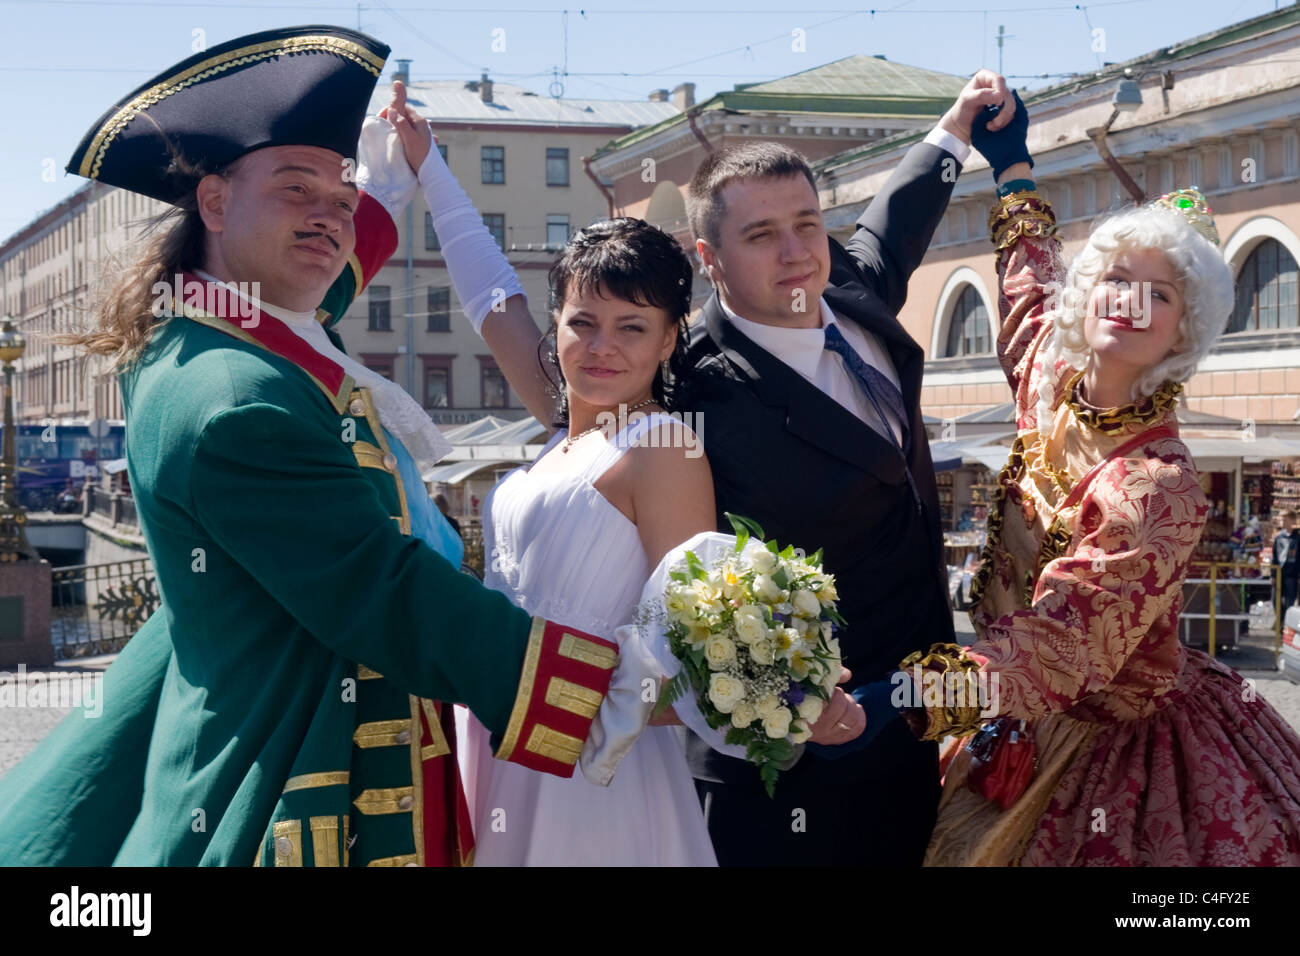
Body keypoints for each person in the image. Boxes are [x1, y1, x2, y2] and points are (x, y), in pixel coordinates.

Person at [0, 26, 648, 867]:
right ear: (215, 203)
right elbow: (385, 590)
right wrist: (603, 684)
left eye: (339, 203)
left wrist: (392, 183)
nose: (327, 219)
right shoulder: (236, 398)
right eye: (296, 189)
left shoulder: (229, 332)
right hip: (291, 795)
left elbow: (328, 265)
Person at [375, 87, 869, 865]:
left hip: (592, 777)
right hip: (503, 741)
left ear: (671, 340)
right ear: (559, 327)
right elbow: (489, 294)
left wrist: (787, 697)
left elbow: (696, 643)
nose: (603, 347)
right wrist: (429, 167)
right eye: (583, 323)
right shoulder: (556, 439)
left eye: (632, 328)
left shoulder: (662, 446)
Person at [902, 91, 1300, 865]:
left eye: (1162, 293)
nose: (1132, 301)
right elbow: (1027, 287)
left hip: (1109, 744)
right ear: (1089, 295)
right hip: (1005, 709)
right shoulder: (1050, 381)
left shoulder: (1156, 482)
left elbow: (1063, 644)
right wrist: (1013, 165)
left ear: (1186, 329)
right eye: (1118, 278)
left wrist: (910, 696)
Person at [670, 71, 1017, 866]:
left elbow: (894, 224)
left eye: (807, 224)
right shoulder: (687, 387)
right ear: (709, 257)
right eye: (761, 236)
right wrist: (784, 700)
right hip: (791, 764)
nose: (796, 254)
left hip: (917, 718)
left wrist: (955, 128)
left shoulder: (849, 286)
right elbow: (677, 572)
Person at [1275, 509, 1299, 610]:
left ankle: (1286, 624)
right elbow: (1275, 555)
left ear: (1293, 521)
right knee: (1276, 601)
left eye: (1286, 520)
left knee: (1290, 601)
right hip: (1280, 573)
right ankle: (1280, 623)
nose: (1283, 522)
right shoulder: (1279, 537)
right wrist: (1273, 574)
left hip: (1292, 574)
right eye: (1282, 520)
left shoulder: (1297, 537)